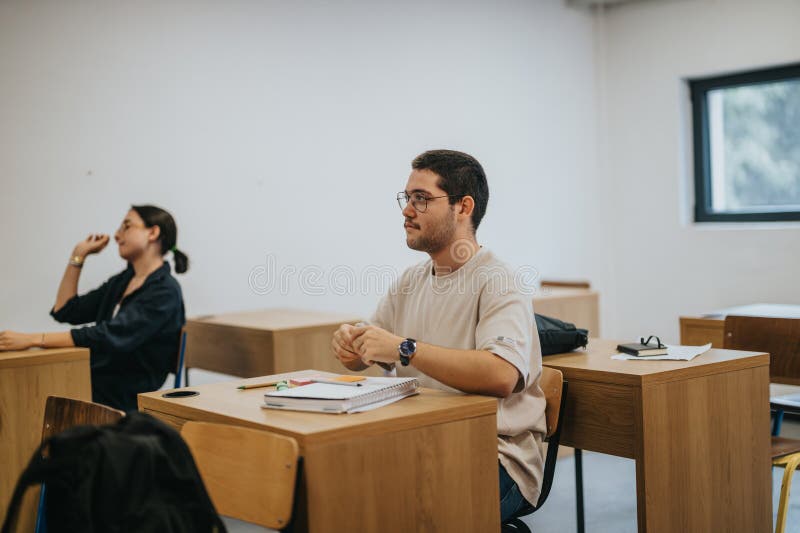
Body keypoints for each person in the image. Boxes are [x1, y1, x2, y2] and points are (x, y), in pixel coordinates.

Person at [331, 149, 547, 523]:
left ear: (463, 208)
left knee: (387, 508)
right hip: (425, 442)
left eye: (421, 199)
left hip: (494, 457)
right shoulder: (410, 281)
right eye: (407, 198)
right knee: (333, 487)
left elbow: (500, 375)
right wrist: (353, 345)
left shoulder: (498, 281)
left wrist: (404, 349)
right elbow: (369, 349)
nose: (406, 210)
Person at [0, 205, 188, 412]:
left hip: (125, 395)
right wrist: (78, 256)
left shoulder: (165, 291)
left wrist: (33, 339)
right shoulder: (123, 280)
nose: (117, 235)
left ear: (153, 232)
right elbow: (67, 310)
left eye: (126, 226)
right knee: (30, 390)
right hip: (99, 381)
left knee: (35, 394)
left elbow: (108, 335)